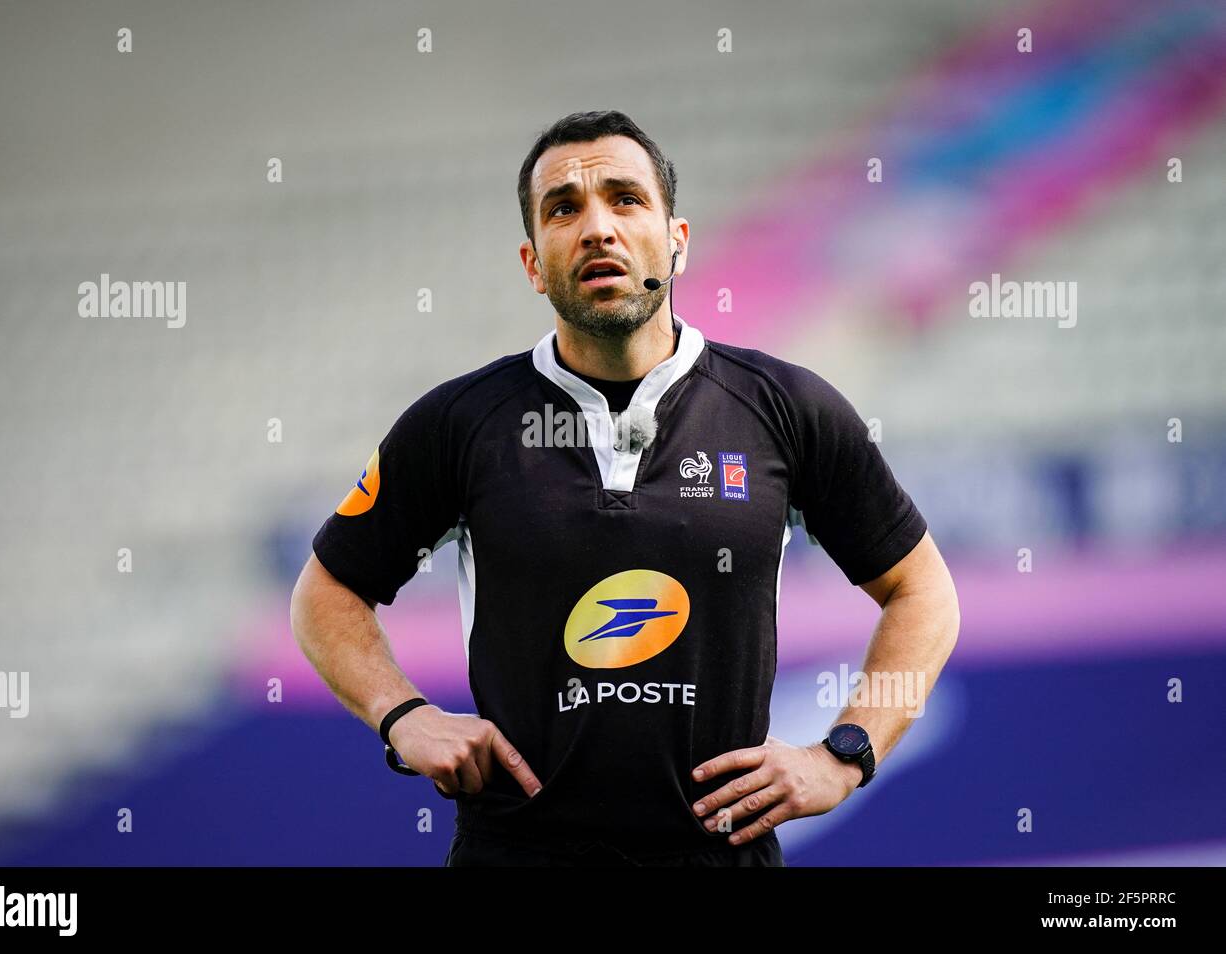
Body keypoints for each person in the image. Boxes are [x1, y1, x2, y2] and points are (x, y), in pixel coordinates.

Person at [290, 110, 960, 867]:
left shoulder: (785, 408)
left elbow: (922, 590)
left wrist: (845, 755)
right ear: (533, 264)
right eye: (563, 209)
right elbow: (326, 591)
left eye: (625, 198)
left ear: (676, 241)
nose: (598, 228)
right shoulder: (459, 423)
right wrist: (401, 714)